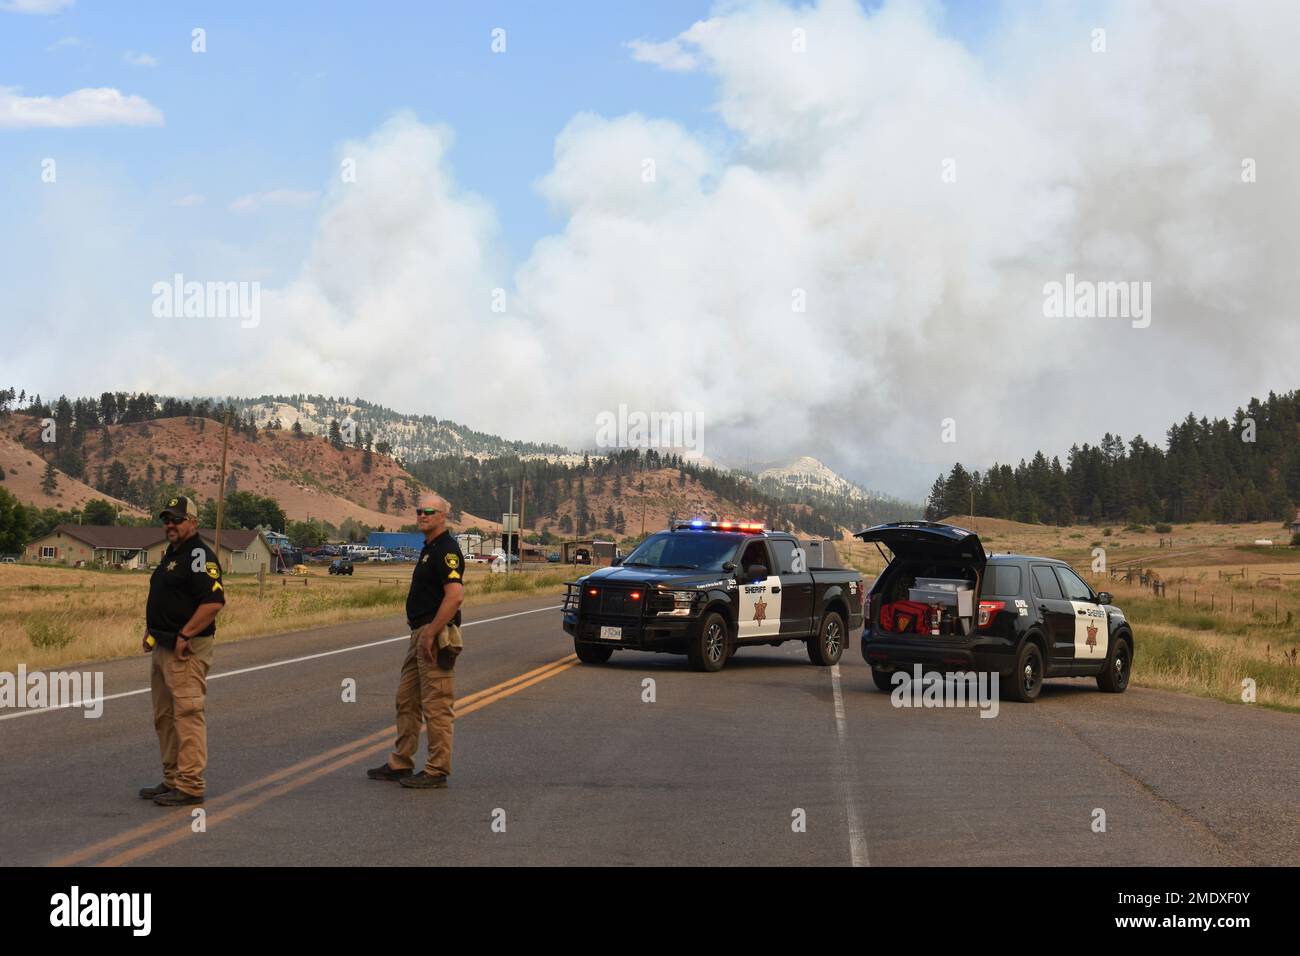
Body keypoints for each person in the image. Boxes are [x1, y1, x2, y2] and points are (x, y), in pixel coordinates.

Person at [368, 493, 465, 789]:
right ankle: (401, 762)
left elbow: (455, 596)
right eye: (419, 510)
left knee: (436, 704)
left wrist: (431, 632)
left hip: (433, 634)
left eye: (428, 511)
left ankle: (437, 770)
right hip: (419, 633)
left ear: (442, 517)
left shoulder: (446, 550)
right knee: (407, 700)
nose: (421, 515)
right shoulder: (429, 548)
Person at [139, 495, 225, 806]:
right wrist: (151, 629)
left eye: (176, 519)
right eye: (166, 520)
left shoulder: (200, 554)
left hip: (184, 649)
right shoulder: (173, 554)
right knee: (164, 717)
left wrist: (185, 634)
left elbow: (214, 602)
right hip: (162, 645)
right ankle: (172, 777)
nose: (170, 525)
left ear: (193, 521)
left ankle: (190, 785)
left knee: (187, 714)